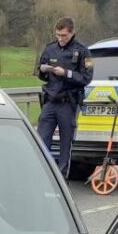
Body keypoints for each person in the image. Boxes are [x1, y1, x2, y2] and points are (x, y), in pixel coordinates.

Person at [35, 16, 94, 176]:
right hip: (50, 101)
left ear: (72, 32)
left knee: (65, 144)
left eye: (64, 36)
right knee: (41, 140)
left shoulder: (83, 51)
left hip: (68, 103)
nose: (60, 39)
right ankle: (42, 175)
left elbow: (86, 78)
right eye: (58, 35)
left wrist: (66, 73)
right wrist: (43, 70)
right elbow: (39, 73)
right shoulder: (49, 49)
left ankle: (62, 177)